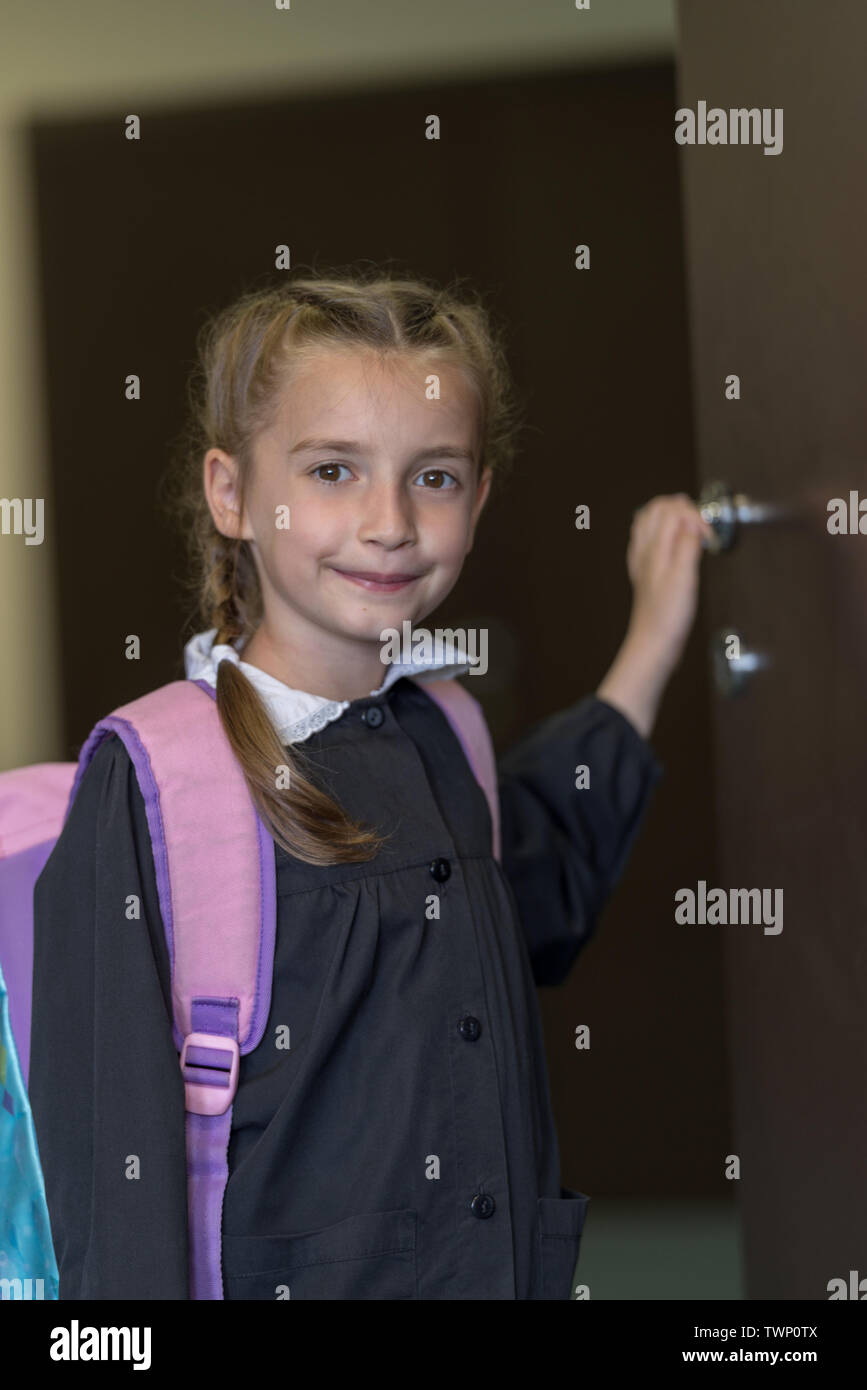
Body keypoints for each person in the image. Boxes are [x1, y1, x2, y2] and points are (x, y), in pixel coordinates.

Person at [28, 270, 711, 1300]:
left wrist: (654, 640)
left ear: (478, 499)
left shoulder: (449, 734)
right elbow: (106, 1177)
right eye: (335, 470)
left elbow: (542, 875)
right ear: (232, 493)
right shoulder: (158, 778)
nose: (390, 520)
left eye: (433, 476)